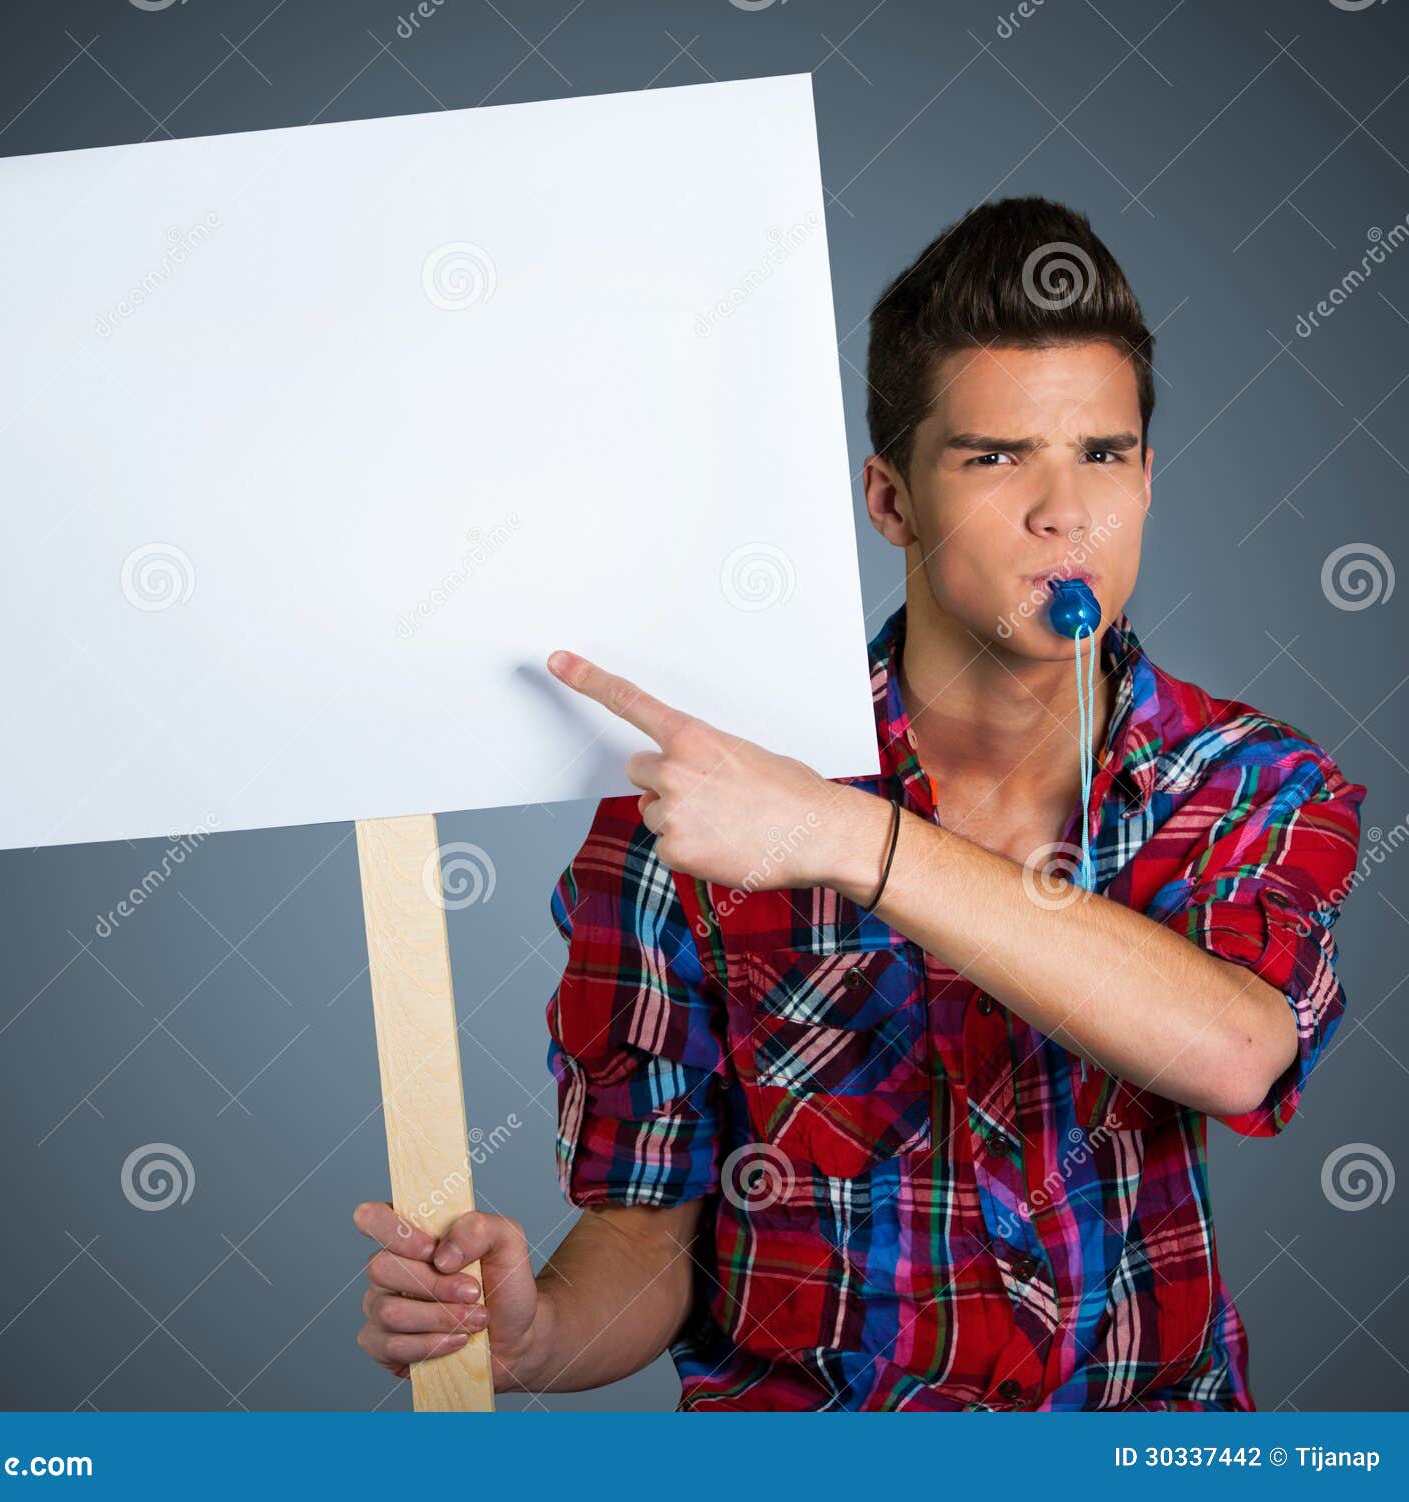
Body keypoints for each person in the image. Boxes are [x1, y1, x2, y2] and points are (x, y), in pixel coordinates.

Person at [353, 195, 1369, 1411]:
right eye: (994, 457)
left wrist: (845, 836)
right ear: (889, 501)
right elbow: (645, 1247)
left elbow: (1236, 1050)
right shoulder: (691, 816)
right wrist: (527, 1336)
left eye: (1100, 454)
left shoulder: (1247, 782)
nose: (1063, 512)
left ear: (1147, 480)